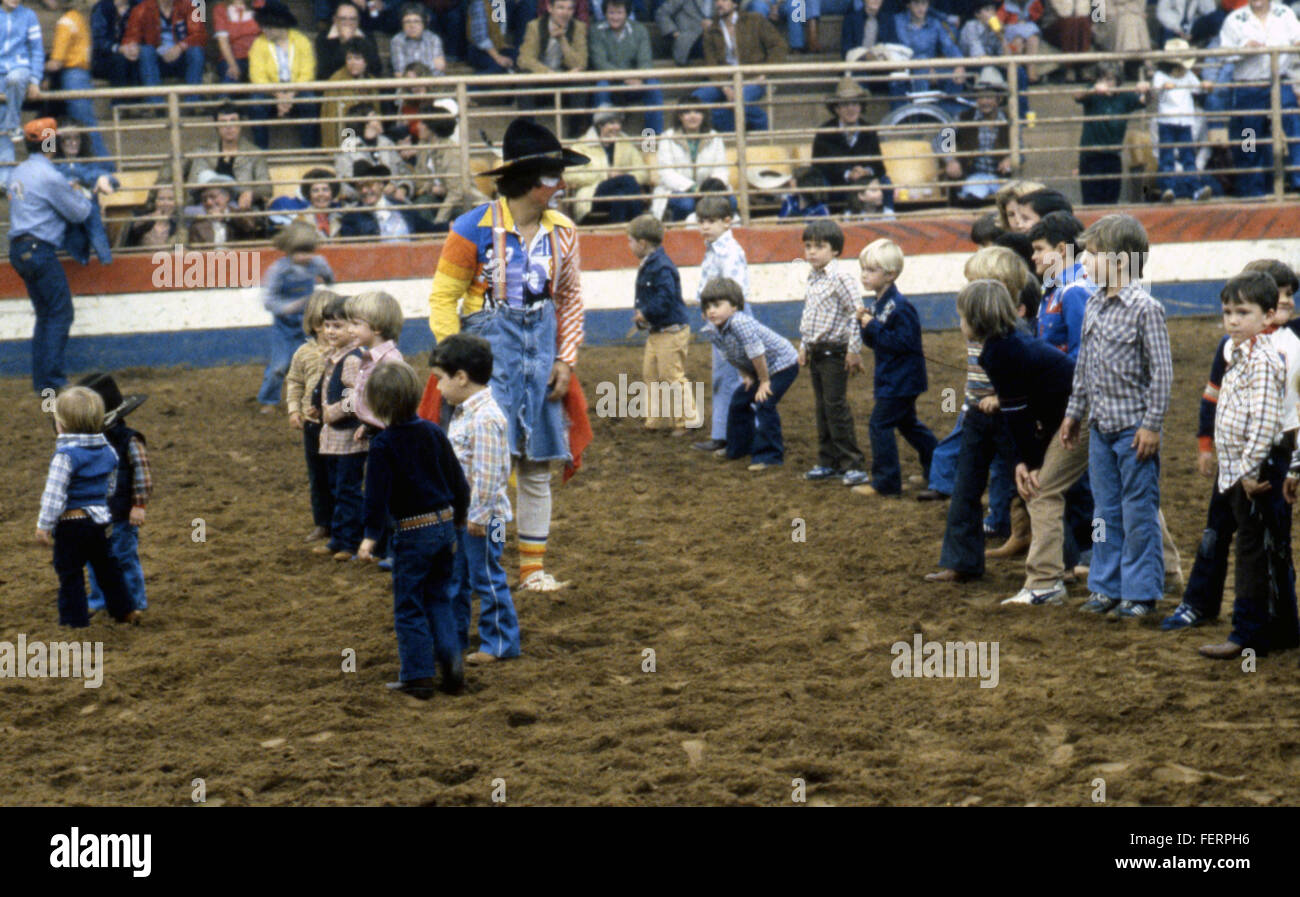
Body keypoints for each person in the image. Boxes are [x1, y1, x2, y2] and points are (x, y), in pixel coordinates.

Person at [421, 117, 592, 592]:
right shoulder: (469, 228)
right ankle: (481, 566)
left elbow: (570, 298)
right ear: (532, 181)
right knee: (485, 467)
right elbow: (443, 298)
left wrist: (566, 359)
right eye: (553, 175)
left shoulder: (565, 232)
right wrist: (456, 359)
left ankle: (533, 569)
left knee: (536, 464)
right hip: (485, 352)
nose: (561, 184)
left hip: (541, 351)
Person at [1169, 259, 1298, 630]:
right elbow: (1215, 396)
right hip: (1237, 458)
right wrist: (1207, 444)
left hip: (1266, 455)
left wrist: (1292, 465)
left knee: (1266, 542)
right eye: (1279, 293)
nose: (1286, 302)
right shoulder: (1232, 347)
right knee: (1219, 530)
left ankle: (1273, 622)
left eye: (1289, 295)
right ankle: (1200, 602)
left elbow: (1282, 415)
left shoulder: (1288, 347)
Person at [1060, 215, 1173, 618]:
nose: (1084, 261)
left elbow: (1162, 372)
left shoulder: (1147, 309)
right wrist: (1074, 414)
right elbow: (1084, 367)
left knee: (1138, 510)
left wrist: (1151, 424)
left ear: (1121, 261)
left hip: (1132, 432)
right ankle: (1105, 586)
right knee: (1104, 511)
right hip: (1100, 430)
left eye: (1092, 254)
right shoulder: (1092, 305)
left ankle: (1140, 592)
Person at [951, 281, 1078, 606]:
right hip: (1067, 414)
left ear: (976, 319)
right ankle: (1165, 571)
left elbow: (1017, 413)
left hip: (1078, 416)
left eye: (962, 316)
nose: (960, 323)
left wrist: (1029, 463)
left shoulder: (998, 352)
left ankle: (1046, 581)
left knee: (1041, 489)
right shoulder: (1009, 342)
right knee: (1116, 489)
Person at [357, 360, 469, 698]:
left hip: (411, 533)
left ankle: (418, 676)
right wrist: (459, 518)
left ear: (377, 404)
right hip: (444, 526)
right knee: (438, 597)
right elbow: (458, 482)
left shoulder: (383, 446)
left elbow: (376, 498)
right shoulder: (434, 432)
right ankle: (452, 664)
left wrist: (370, 537)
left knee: (408, 604)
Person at [925, 245, 1032, 582]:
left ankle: (1060, 557)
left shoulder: (1018, 331)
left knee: (1029, 486)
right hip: (976, 413)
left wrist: (1001, 398)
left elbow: (1029, 375)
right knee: (965, 486)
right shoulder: (976, 325)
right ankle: (962, 562)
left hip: (1011, 415)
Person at [430, 334, 523, 664]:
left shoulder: (485, 418)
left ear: (461, 377)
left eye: (440, 380)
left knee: (487, 576)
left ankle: (500, 643)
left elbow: (489, 474)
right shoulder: (467, 413)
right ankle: (455, 638)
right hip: (467, 517)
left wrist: (478, 516)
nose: (438, 388)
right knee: (460, 577)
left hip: (486, 520)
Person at [34, 386, 142, 628]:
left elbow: (54, 495)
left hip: (71, 525)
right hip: (100, 521)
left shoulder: (65, 456)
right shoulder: (108, 451)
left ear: (61, 425)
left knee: (70, 573)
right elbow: (110, 488)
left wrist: (44, 525)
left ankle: (75, 621)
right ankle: (125, 610)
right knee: (108, 568)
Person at [8, 118, 92, 395]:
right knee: (60, 313)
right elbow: (79, 212)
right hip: (39, 249)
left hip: (20, 249)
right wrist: (82, 194)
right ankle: (53, 380)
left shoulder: (18, 172)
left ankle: (43, 381)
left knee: (46, 314)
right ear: (50, 143)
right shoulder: (49, 176)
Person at [853, 237, 937, 496]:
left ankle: (886, 482)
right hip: (894, 378)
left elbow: (902, 343)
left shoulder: (900, 307)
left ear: (890, 275)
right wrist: (864, 324)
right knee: (909, 425)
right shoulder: (880, 304)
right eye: (863, 269)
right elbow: (876, 342)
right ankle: (938, 469)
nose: (864, 275)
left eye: (871, 270)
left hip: (901, 380)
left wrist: (872, 325)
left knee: (880, 425)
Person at [700, 277, 800, 470]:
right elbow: (732, 355)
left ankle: (770, 456)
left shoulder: (740, 323)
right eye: (707, 306)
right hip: (760, 369)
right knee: (739, 400)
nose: (711, 310)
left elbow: (757, 352)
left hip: (783, 364)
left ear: (735, 306)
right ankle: (738, 448)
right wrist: (746, 375)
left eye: (717, 305)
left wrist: (763, 381)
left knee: (764, 401)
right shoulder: (713, 330)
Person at [798, 219, 868, 486]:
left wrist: (853, 350)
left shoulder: (841, 278)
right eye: (808, 246)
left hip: (835, 352)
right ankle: (828, 460)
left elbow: (856, 313)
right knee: (822, 407)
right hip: (816, 351)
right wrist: (804, 344)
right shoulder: (813, 278)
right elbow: (809, 315)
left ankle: (852, 462)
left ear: (835, 250)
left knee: (835, 406)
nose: (812, 251)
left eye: (819, 246)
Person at [77, 372, 151, 615]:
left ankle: (133, 601)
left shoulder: (129, 441)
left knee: (123, 557)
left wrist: (138, 505)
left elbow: (142, 475)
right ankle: (101, 600)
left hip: (120, 515)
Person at [1219, 0, 1300, 195]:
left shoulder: (1285, 14)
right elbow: (1223, 53)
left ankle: (1298, 180)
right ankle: (1251, 187)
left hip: (1280, 82)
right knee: (1249, 137)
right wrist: (1244, 49)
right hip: (1249, 86)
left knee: (1294, 128)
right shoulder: (1235, 19)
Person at [628, 214, 699, 434]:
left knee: (671, 376)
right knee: (651, 374)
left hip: (670, 331)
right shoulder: (656, 265)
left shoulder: (661, 267)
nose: (628, 245)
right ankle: (656, 419)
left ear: (642, 243)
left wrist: (645, 313)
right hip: (661, 330)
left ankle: (687, 419)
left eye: (630, 241)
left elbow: (666, 298)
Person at [691, 194, 747, 454]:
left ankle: (734, 436)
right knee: (722, 377)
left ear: (727, 221)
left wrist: (716, 310)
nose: (705, 227)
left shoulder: (731, 251)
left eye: (711, 221)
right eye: (702, 221)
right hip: (719, 319)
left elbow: (734, 290)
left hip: (732, 320)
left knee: (734, 378)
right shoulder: (715, 248)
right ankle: (722, 434)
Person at [258, 222, 334, 413]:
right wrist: (290, 307)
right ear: (289, 250)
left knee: (318, 362)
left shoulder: (316, 263)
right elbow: (268, 300)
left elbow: (329, 277)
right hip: (284, 326)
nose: (304, 256)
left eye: (308, 251)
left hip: (309, 324)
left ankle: (318, 399)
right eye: (300, 252)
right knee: (279, 366)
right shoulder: (279, 270)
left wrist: (327, 278)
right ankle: (268, 400)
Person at [314, 294, 367, 560]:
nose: (331, 331)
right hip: (335, 438)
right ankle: (339, 538)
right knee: (338, 489)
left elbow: (356, 398)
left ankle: (349, 542)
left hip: (348, 437)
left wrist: (332, 412)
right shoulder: (336, 357)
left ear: (353, 329)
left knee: (347, 491)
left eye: (338, 326)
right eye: (328, 326)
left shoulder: (352, 360)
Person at [285, 288, 337, 543]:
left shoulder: (348, 354)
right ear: (315, 326)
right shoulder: (303, 354)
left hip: (340, 424)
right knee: (318, 475)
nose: (329, 332)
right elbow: (294, 381)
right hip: (313, 424)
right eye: (324, 325)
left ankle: (343, 522)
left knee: (341, 475)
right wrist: (294, 409)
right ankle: (323, 522)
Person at [695, 0, 787, 132]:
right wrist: (725, 87)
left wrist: (764, 73)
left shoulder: (755, 20)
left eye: (724, 0)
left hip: (753, 77)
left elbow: (779, 46)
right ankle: (733, 133)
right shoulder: (711, 30)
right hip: (725, 80)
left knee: (737, 100)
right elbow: (711, 64)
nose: (719, 4)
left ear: (735, 4)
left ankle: (760, 124)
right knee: (695, 101)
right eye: (717, 0)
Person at [163, 103, 272, 213]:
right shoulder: (203, 151)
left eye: (233, 121)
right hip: (203, 208)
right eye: (223, 122)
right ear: (217, 126)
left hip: (237, 211)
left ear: (240, 124)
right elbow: (172, 166)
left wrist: (251, 193)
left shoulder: (255, 153)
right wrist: (156, 200)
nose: (228, 126)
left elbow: (267, 188)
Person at [44, 0, 112, 162]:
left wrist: (37, 71)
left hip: (70, 76)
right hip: (80, 75)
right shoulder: (79, 18)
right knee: (82, 123)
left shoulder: (66, 22)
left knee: (68, 123)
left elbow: (57, 62)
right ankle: (102, 162)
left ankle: (103, 163)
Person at [1074, 64, 1149, 206]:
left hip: (1113, 155)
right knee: (1090, 201)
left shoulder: (1124, 97)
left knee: (1111, 200)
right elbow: (1077, 96)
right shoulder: (1093, 95)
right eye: (1101, 79)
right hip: (1091, 155)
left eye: (1109, 79)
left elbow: (1146, 102)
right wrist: (1092, 91)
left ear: (1117, 81)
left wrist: (1146, 90)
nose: (1105, 83)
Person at [248, 2, 320, 150]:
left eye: (268, 26)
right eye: (263, 25)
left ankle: (308, 149)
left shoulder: (301, 41)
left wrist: (291, 94)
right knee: (255, 104)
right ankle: (261, 151)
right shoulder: (258, 43)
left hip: (297, 90)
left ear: (280, 24)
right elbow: (257, 76)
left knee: (310, 101)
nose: (264, 30)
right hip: (270, 92)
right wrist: (279, 95)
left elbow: (307, 73)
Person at [812, 78, 888, 214]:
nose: (851, 108)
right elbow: (819, 168)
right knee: (819, 184)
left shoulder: (869, 130)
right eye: (845, 104)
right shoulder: (824, 132)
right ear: (836, 108)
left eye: (855, 103)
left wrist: (866, 171)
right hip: (838, 185)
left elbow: (879, 166)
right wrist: (848, 174)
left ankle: (888, 218)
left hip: (866, 184)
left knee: (886, 183)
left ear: (861, 106)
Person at [1152, 39, 1215, 202]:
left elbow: (1197, 87)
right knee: (1167, 156)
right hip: (1167, 120)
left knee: (1188, 156)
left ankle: (1195, 188)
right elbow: (1155, 91)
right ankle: (1168, 188)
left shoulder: (1188, 75)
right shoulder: (1159, 76)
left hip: (1185, 121)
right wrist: (1164, 86)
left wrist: (1205, 86)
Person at [939, 66, 1013, 204]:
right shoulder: (963, 117)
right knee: (974, 192)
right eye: (981, 97)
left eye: (989, 97)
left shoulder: (1009, 120)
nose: (984, 102)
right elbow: (944, 137)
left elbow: (1020, 150)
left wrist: (1011, 158)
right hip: (972, 177)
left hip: (1002, 178)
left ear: (999, 99)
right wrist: (950, 160)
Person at [517, 0, 591, 136]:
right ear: (550, 8)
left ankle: (574, 137)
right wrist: (549, 73)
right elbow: (524, 59)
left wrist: (563, 40)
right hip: (541, 83)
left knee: (582, 82)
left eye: (570, 9)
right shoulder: (535, 26)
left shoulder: (579, 27)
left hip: (565, 84)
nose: (565, 13)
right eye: (561, 8)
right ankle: (527, 135)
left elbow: (581, 63)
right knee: (524, 80)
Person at [591, 0, 665, 134]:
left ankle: (651, 140)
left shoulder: (639, 30)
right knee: (602, 86)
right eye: (611, 13)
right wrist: (625, 77)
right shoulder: (596, 30)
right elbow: (600, 62)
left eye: (619, 13)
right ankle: (603, 138)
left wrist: (638, 77)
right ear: (605, 13)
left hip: (635, 82)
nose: (615, 17)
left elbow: (645, 61)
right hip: (612, 83)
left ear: (627, 13)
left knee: (653, 85)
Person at [652, 95, 730, 221]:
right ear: (680, 116)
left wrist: (711, 188)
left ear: (703, 115)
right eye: (687, 112)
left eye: (697, 112)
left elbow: (721, 169)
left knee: (731, 201)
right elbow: (666, 173)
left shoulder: (715, 136)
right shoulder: (667, 137)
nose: (693, 116)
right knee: (686, 204)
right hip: (677, 190)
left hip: (710, 190)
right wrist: (693, 188)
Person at [568, 107, 650, 223]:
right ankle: (639, 224)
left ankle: (617, 228)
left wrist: (620, 177)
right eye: (612, 123)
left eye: (619, 123)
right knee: (628, 181)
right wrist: (605, 174)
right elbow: (570, 176)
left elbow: (643, 173)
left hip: (622, 194)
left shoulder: (625, 143)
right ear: (600, 125)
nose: (617, 127)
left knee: (621, 193)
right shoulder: (581, 146)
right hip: (593, 194)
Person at [120, 0, 207, 106]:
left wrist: (180, 47)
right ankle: (155, 105)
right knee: (146, 51)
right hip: (156, 60)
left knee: (196, 51)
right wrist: (132, 46)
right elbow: (131, 36)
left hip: (181, 58)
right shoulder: (141, 9)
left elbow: (200, 35)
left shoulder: (191, 6)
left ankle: (193, 104)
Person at [1027, 211, 1089, 359]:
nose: (1033, 257)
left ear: (1061, 249)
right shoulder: (1049, 290)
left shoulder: (1074, 290)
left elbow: (1081, 354)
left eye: (1039, 249)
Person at [890, 0, 966, 106]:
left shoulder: (934, 23)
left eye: (924, 4)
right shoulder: (897, 21)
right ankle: (922, 113)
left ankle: (949, 116)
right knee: (919, 70)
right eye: (916, 3)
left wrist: (959, 65)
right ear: (909, 5)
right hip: (905, 67)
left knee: (955, 75)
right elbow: (902, 50)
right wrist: (926, 65)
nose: (920, 8)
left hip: (931, 69)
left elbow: (949, 46)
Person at [0, 0, 43, 186]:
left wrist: (35, 79)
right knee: (1, 117)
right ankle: (5, 179)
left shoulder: (29, 16)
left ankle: (12, 124)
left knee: (16, 79)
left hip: (20, 69)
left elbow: (37, 50)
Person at [339, 159, 438, 240]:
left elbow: (428, 227)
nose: (364, 190)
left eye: (369, 184)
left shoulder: (402, 208)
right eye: (359, 187)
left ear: (381, 184)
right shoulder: (351, 219)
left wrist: (449, 226)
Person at [187, 171, 262, 245]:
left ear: (226, 197)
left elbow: (250, 226)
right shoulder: (198, 226)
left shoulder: (240, 215)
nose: (209, 202)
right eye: (204, 199)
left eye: (213, 197)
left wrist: (226, 216)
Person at [316, 0, 381, 78]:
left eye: (353, 19)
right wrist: (346, 43)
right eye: (343, 19)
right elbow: (325, 71)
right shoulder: (323, 38)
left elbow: (376, 68)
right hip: (335, 85)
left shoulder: (367, 36)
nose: (348, 23)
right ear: (335, 20)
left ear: (358, 21)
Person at [466, 0, 529, 74]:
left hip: (496, 47)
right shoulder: (479, 3)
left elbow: (500, 31)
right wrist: (498, 58)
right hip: (478, 50)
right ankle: (471, 84)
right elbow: (481, 38)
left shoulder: (499, 2)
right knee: (498, 67)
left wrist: (503, 46)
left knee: (520, 58)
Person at [90, 0, 137, 95]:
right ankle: (119, 106)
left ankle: (142, 106)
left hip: (131, 53)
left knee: (143, 56)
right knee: (119, 61)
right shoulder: (102, 8)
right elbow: (97, 41)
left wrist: (136, 47)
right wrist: (118, 49)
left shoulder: (137, 6)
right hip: (104, 57)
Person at [213, 0, 263, 84]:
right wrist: (232, 65)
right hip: (232, 58)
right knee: (229, 81)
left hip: (258, 57)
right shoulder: (221, 9)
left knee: (260, 87)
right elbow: (223, 41)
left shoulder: (259, 4)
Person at [390, 3, 445, 75]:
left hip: (432, 83)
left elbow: (439, 68)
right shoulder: (397, 41)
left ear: (424, 23)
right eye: (407, 22)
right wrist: (429, 66)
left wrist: (413, 72)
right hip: (408, 84)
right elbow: (400, 70)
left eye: (416, 21)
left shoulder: (433, 39)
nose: (412, 25)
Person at [656, 0, 713, 66]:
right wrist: (674, 33)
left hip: (715, 38)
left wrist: (714, 25)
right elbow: (662, 13)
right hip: (689, 41)